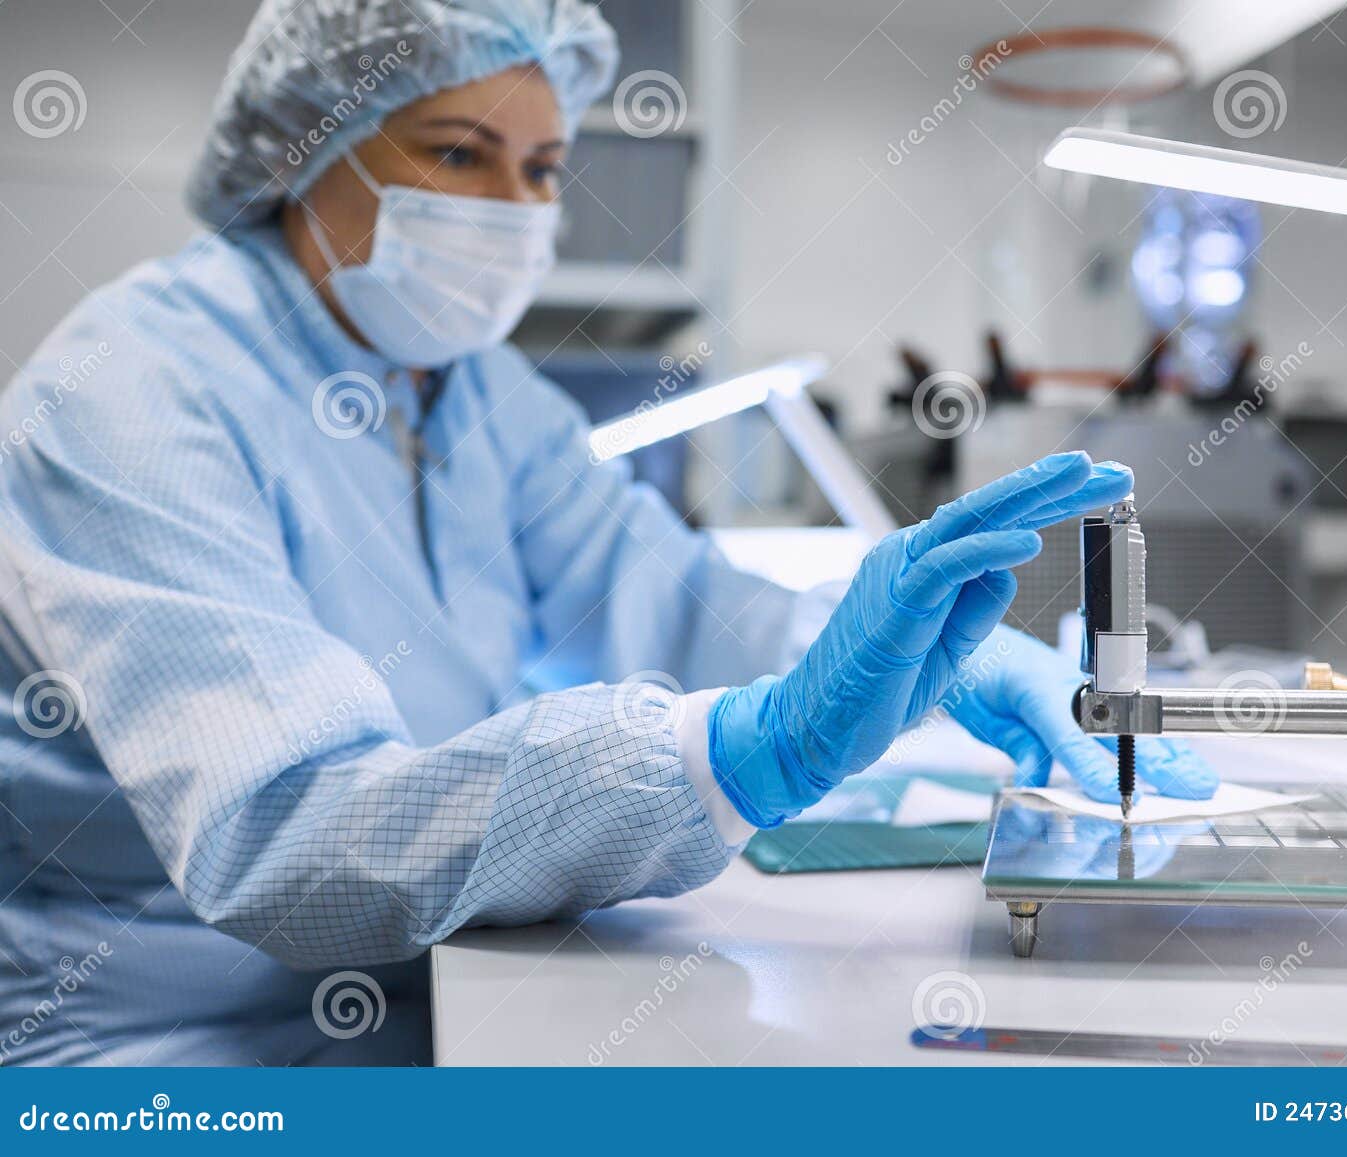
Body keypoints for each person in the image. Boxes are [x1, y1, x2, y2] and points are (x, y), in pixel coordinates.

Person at [0, 0, 1214, 1066]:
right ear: (303, 144)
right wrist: (741, 749)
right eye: (460, 153)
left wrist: (928, 655)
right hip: (168, 1043)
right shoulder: (134, 392)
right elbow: (281, 830)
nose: (518, 208)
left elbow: (662, 594)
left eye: (542, 168)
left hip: (439, 975)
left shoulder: (472, 394)